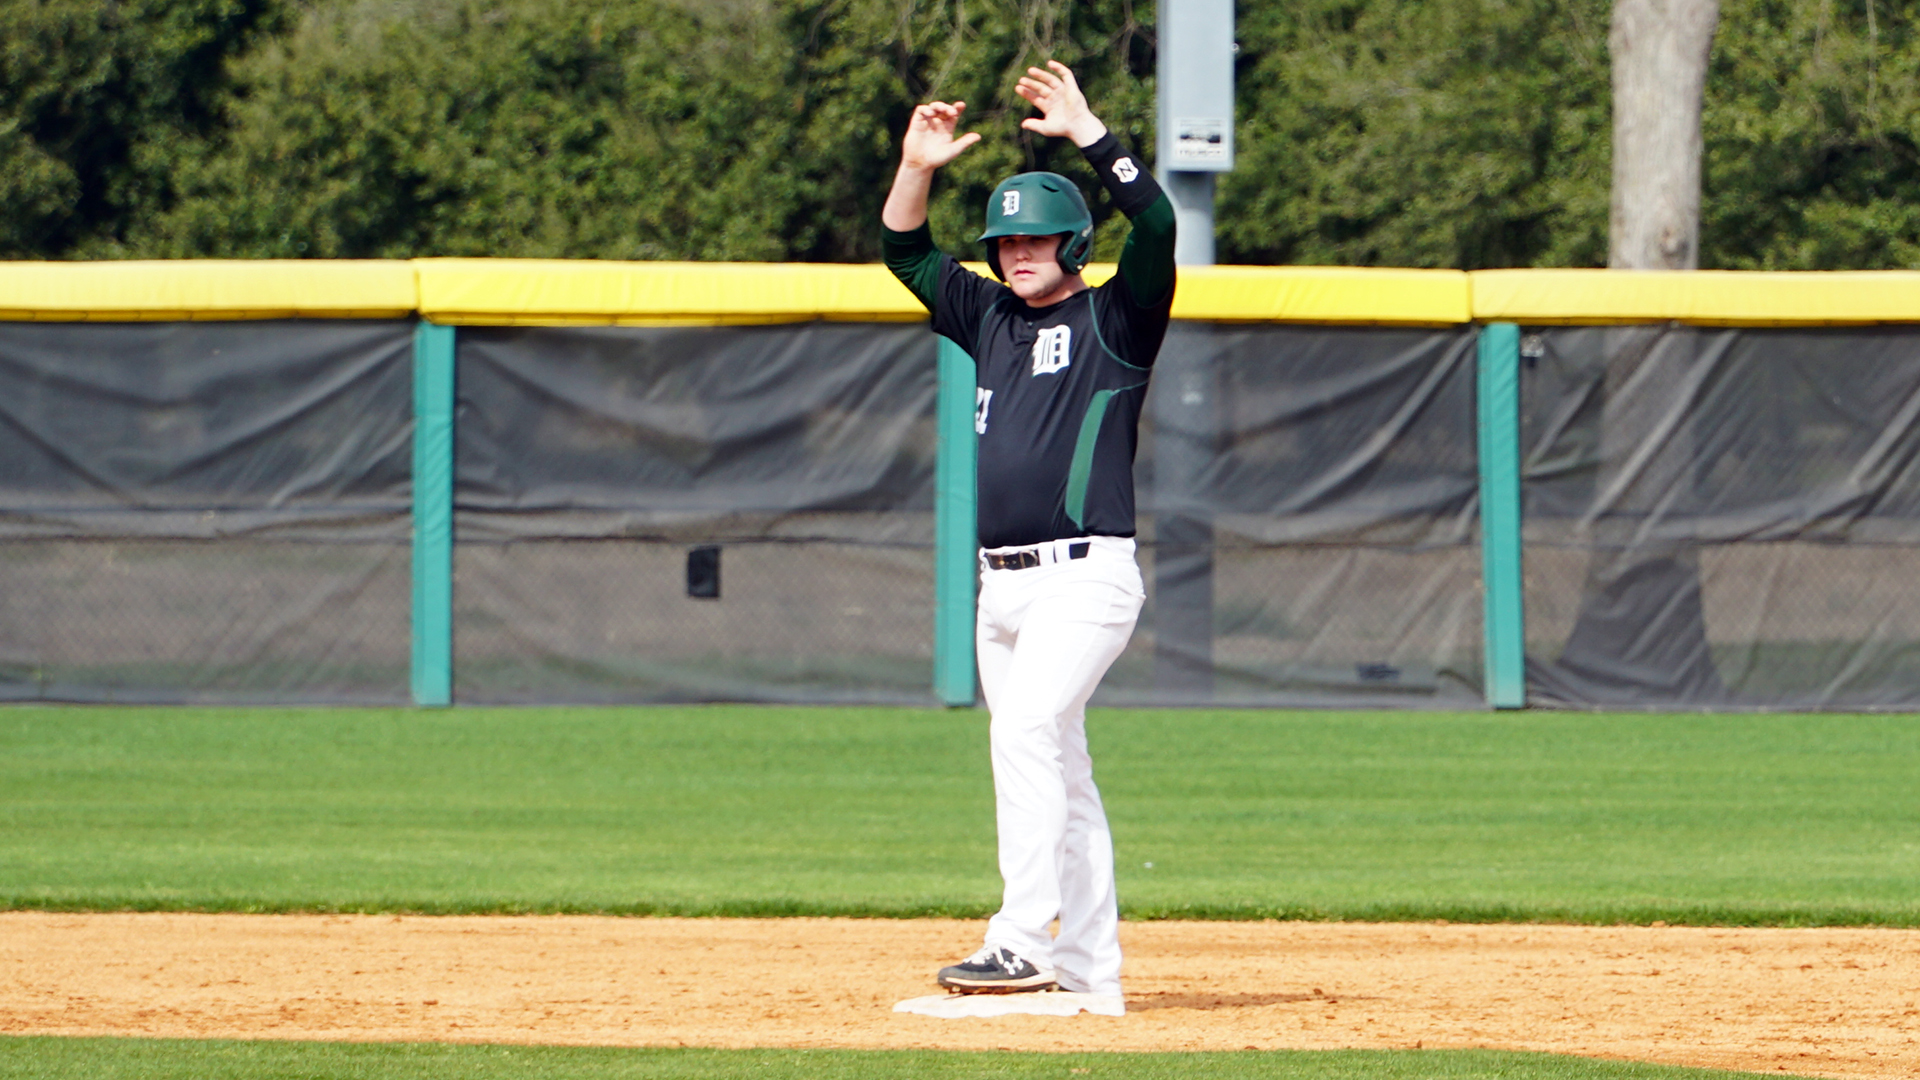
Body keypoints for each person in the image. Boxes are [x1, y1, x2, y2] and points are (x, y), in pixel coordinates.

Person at [880, 60, 1176, 1004]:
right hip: (999, 590)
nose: (1016, 253)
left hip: (1086, 579)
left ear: (1075, 242)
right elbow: (905, 253)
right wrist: (915, 166)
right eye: (1004, 241)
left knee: (1026, 730)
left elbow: (1161, 226)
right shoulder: (990, 316)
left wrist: (1091, 132)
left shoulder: (1118, 317)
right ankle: (1090, 979)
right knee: (1063, 775)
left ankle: (1019, 940)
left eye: (1036, 238)